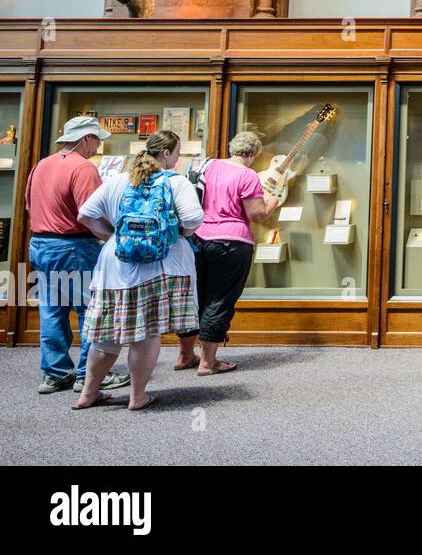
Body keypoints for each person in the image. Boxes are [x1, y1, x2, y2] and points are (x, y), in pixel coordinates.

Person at [73, 131, 203, 410]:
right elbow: (192, 219)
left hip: (115, 267)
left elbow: (85, 214)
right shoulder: (176, 182)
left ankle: (88, 393)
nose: (179, 157)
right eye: (177, 152)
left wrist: (112, 236)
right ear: (165, 154)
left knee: (105, 334)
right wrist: (180, 233)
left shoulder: (118, 180)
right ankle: (137, 396)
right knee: (147, 333)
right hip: (159, 267)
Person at [24, 115, 129, 395]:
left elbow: (28, 206)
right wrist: (114, 235)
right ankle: (88, 375)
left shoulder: (41, 165)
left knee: (51, 309)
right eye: (96, 140)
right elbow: (90, 213)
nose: (98, 147)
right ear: (85, 139)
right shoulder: (84, 168)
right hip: (74, 246)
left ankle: (54, 373)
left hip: (41, 245)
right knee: (89, 310)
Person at [175, 131, 280, 375]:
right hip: (232, 243)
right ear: (253, 153)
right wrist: (273, 201)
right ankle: (208, 362)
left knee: (195, 297)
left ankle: (185, 355)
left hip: (198, 239)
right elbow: (256, 214)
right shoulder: (247, 175)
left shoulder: (207, 166)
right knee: (219, 299)